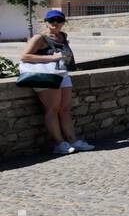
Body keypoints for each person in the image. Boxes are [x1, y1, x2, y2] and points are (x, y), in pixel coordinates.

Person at [20, 10, 95, 155]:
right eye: (52, 20)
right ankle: (60, 143)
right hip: (46, 75)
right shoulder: (39, 38)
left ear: (63, 22)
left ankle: (73, 140)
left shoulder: (63, 36)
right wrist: (51, 58)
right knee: (52, 109)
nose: (55, 23)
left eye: (59, 20)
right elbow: (25, 56)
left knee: (65, 108)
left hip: (62, 74)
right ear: (46, 22)